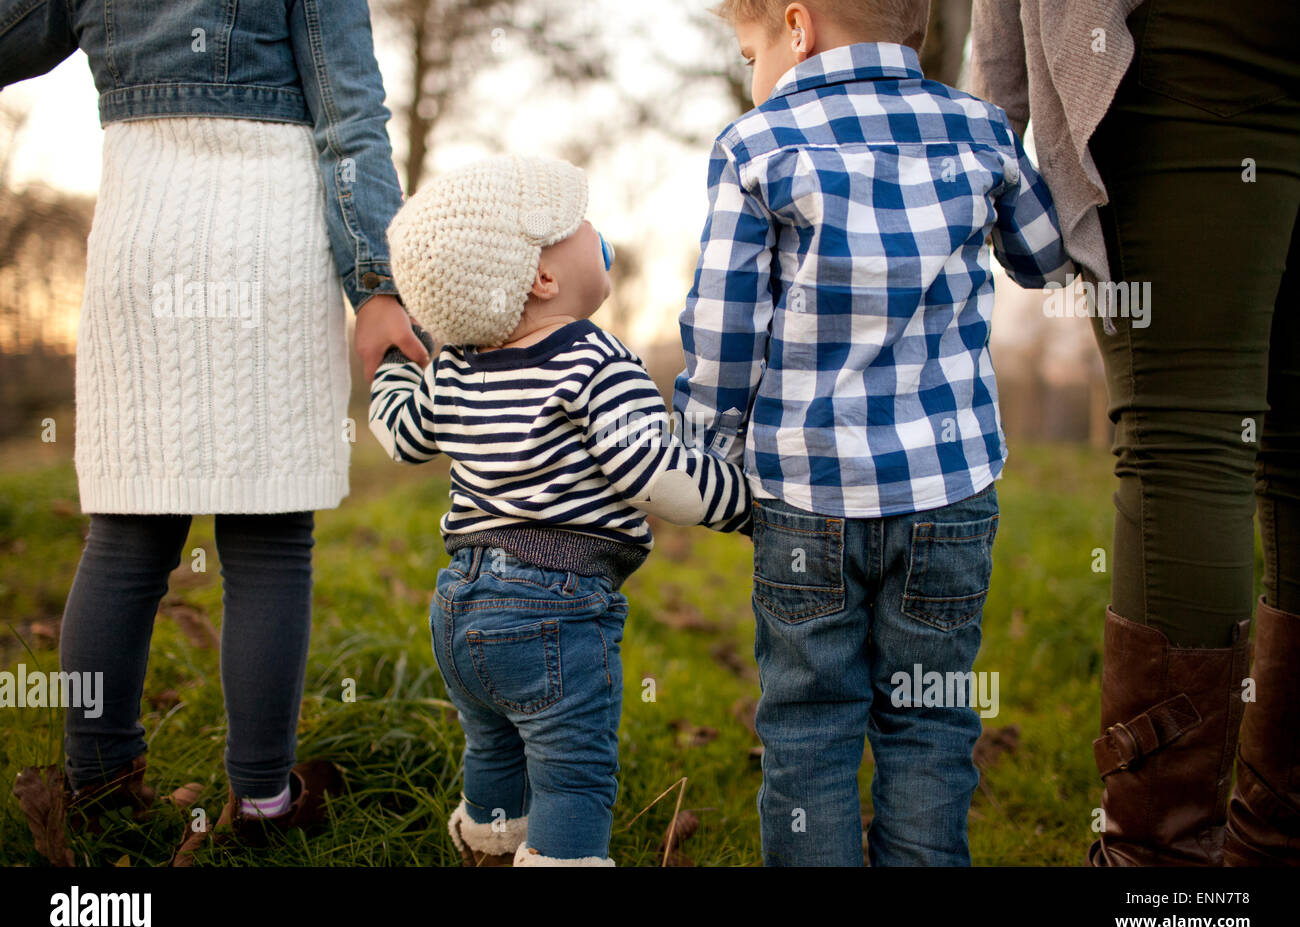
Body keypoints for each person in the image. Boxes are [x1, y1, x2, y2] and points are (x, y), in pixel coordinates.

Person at [1, 0, 428, 865]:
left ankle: (97, 785)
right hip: (268, 248)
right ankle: (265, 797)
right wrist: (375, 285)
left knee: (124, 537)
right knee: (269, 543)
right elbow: (351, 116)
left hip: (142, 240)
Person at [674, 0, 1070, 865]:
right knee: (930, 715)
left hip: (806, 498)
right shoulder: (979, 129)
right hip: (949, 492)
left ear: (797, 27)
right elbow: (1046, 257)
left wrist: (704, 442)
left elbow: (726, 329)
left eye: (750, 52)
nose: (752, 73)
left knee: (809, 720)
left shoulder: (756, 144)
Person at [972, 0, 1300, 866]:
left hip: (1191, 47)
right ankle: (1276, 842)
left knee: (1185, 443)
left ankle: (1163, 880)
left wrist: (993, 129)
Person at [369, 155, 751, 866]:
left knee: (493, 744)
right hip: (555, 608)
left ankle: (489, 844)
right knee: (573, 772)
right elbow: (651, 470)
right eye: (578, 224)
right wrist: (746, 504)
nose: (596, 231)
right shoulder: (596, 360)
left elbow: (400, 433)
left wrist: (394, 366)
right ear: (543, 278)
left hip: (459, 609)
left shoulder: (454, 366)